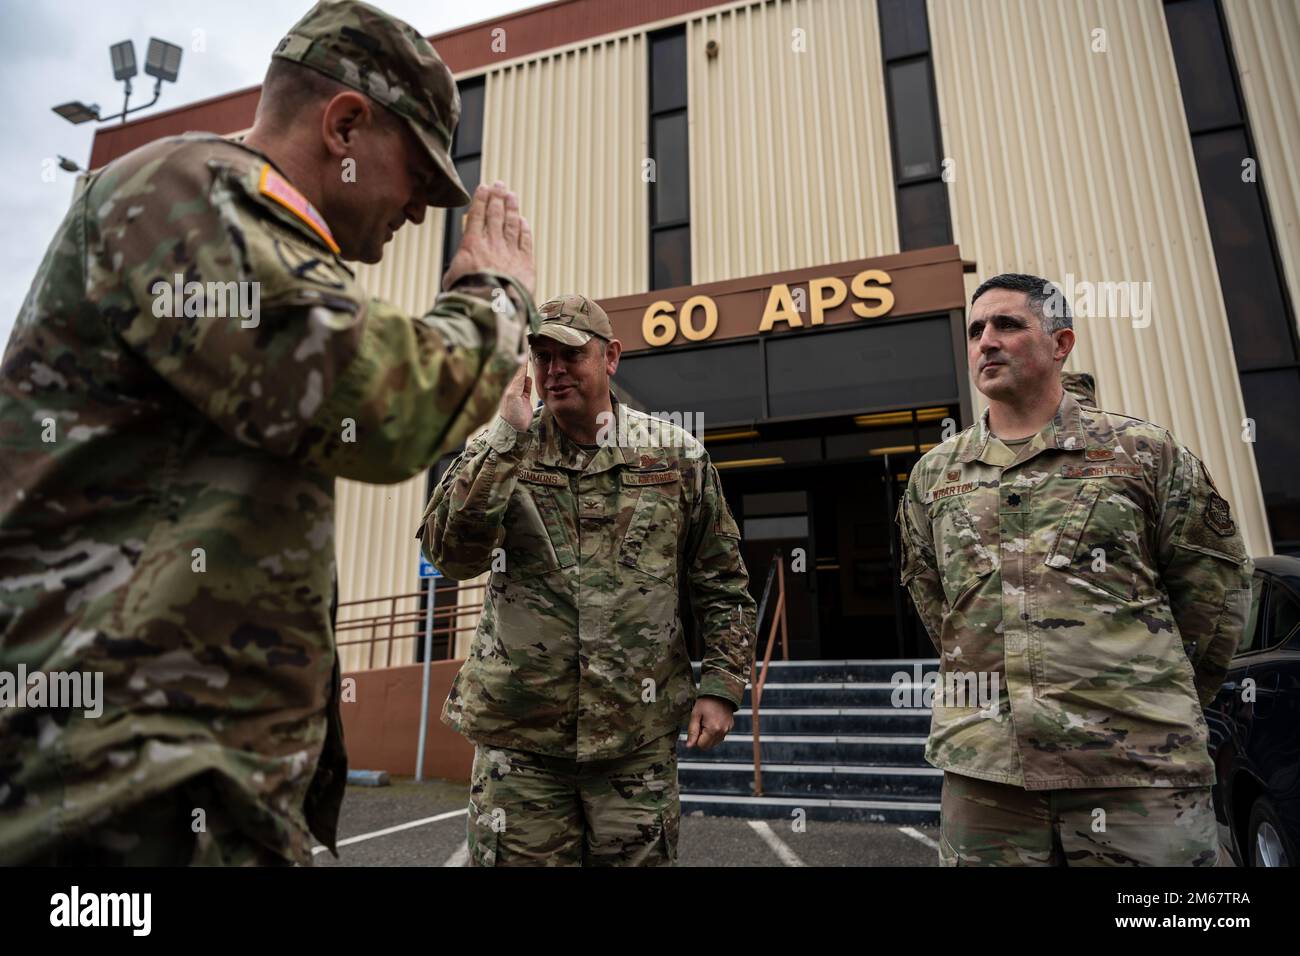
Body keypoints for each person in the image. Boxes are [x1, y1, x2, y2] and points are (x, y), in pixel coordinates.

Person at [0, 0, 538, 865]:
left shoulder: (251, 228)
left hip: (187, 790)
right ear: (346, 125)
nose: (416, 209)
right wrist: (497, 295)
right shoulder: (188, 192)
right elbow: (385, 404)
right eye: (419, 176)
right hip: (118, 796)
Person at [896, 272, 1252, 866]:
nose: (987, 340)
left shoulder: (1143, 453)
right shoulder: (935, 475)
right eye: (976, 329)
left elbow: (1212, 599)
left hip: (1135, 769)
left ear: (1061, 344)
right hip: (988, 775)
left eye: (1008, 324)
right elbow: (939, 606)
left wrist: (1142, 696)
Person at [420, 293, 756, 866]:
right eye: (541, 355)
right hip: (521, 743)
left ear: (611, 358)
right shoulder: (501, 450)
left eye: (570, 355)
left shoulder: (676, 458)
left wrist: (722, 687)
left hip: (634, 739)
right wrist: (503, 438)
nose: (553, 370)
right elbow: (451, 555)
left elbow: (722, 582)